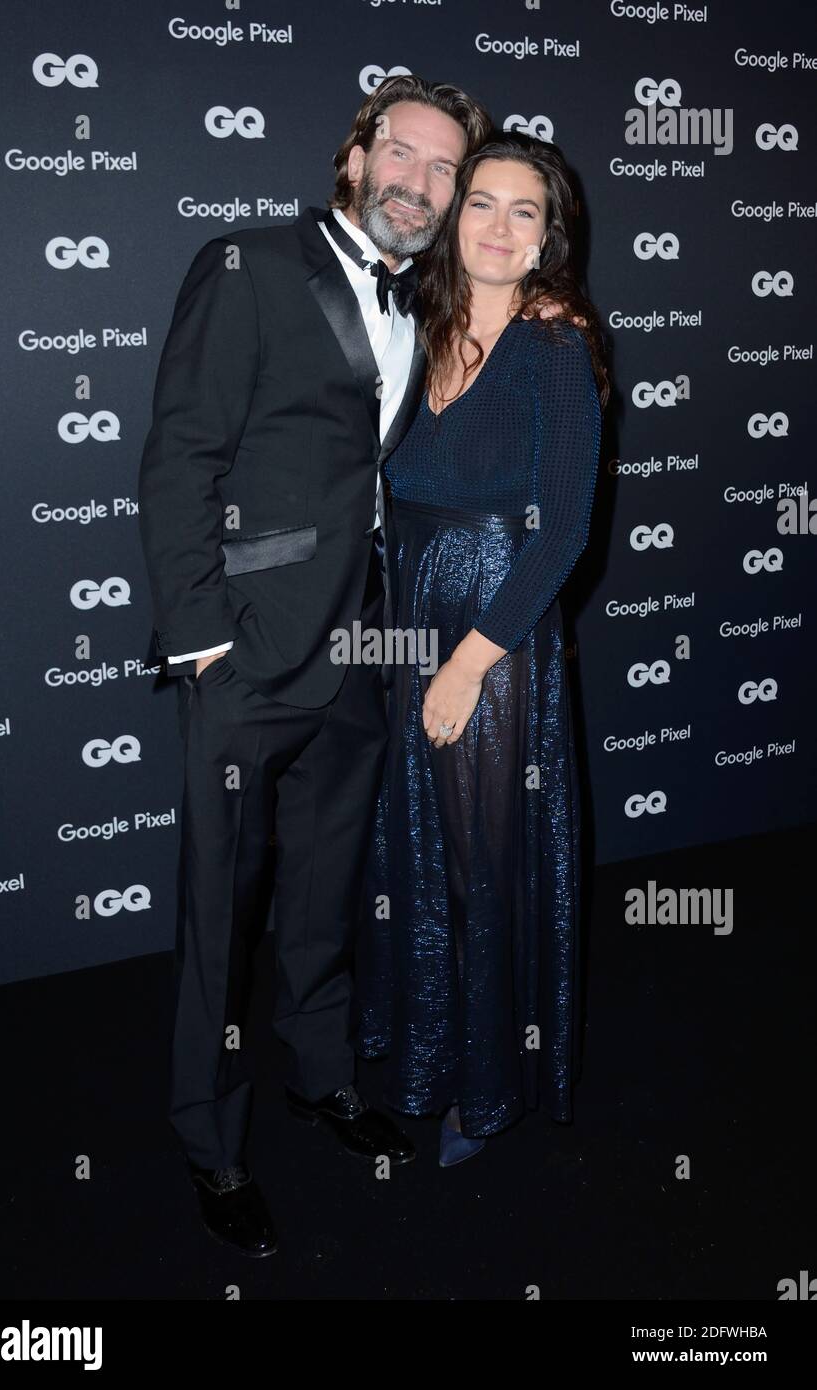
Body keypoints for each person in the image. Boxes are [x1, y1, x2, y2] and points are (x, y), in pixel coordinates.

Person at [137, 75, 495, 1254]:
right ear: (356, 158)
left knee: (320, 896)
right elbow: (181, 454)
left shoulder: (427, 301)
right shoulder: (244, 264)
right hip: (245, 657)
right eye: (407, 156)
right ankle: (210, 1141)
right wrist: (203, 645)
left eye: (447, 172)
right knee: (216, 917)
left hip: (361, 652)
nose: (423, 185)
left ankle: (320, 1075)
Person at [355, 131, 610, 1167]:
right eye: (481, 204)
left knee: (481, 863)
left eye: (523, 212)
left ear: (549, 237)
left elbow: (562, 532)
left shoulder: (554, 347)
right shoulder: (415, 322)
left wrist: (468, 662)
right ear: (451, 216)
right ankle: (421, 1053)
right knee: (408, 847)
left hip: (491, 627)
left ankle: (489, 1088)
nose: (497, 229)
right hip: (406, 609)